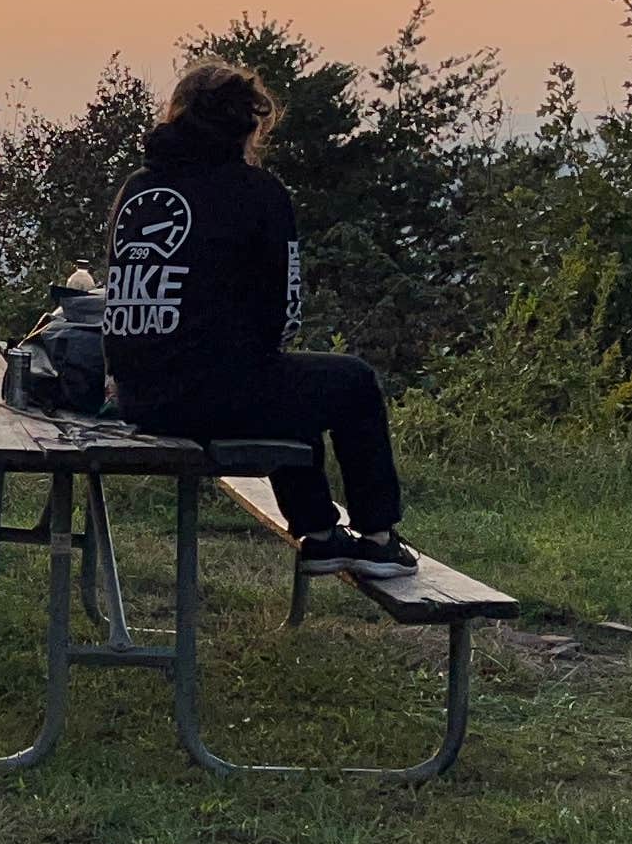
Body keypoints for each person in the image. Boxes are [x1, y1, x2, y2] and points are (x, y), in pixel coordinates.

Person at [101, 58, 418, 579]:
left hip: (140, 397)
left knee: (281, 386)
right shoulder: (258, 192)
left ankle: (319, 531)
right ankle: (378, 536)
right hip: (207, 399)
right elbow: (284, 316)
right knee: (349, 382)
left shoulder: (138, 188)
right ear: (249, 125)